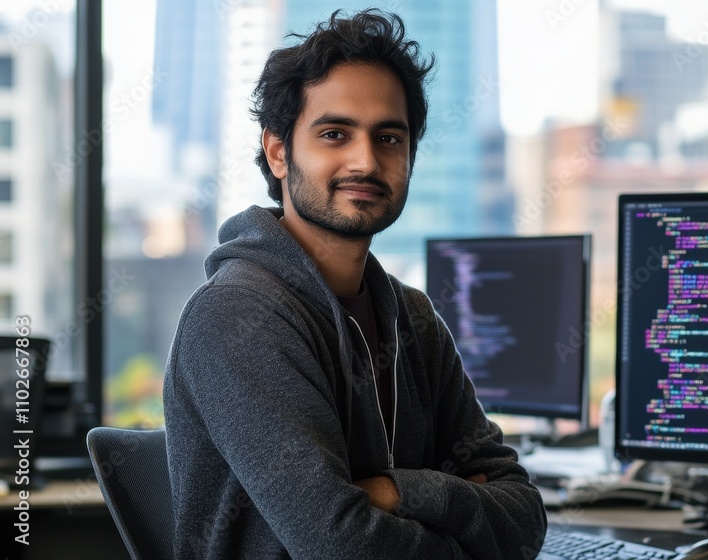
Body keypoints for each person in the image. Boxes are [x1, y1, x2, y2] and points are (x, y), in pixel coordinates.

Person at [163, 9, 547, 559]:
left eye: (389, 137)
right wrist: (462, 512)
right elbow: (338, 545)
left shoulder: (412, 318)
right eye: (335, 133)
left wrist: (396, 492)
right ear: (278, 151)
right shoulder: (236, 316)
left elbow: (525, 517)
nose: (365, 161)